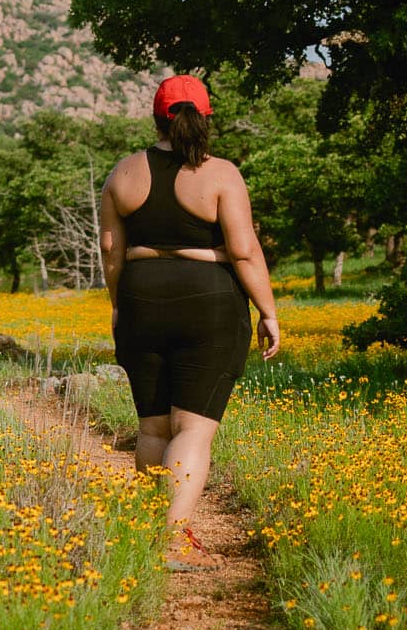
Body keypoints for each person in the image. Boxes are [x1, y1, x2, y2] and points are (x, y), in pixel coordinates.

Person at [99, 74, 280, 570]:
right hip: (210, 301)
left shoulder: (123, 174)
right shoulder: (220, 174)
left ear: (156, 117)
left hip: (140, 298)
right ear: (205, 118)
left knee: (153, 426)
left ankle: (147, 531)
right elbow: (243, 252)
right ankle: (173, 540)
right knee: (193, 429)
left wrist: (120, 306)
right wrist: (268, 311)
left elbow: (111, 254)